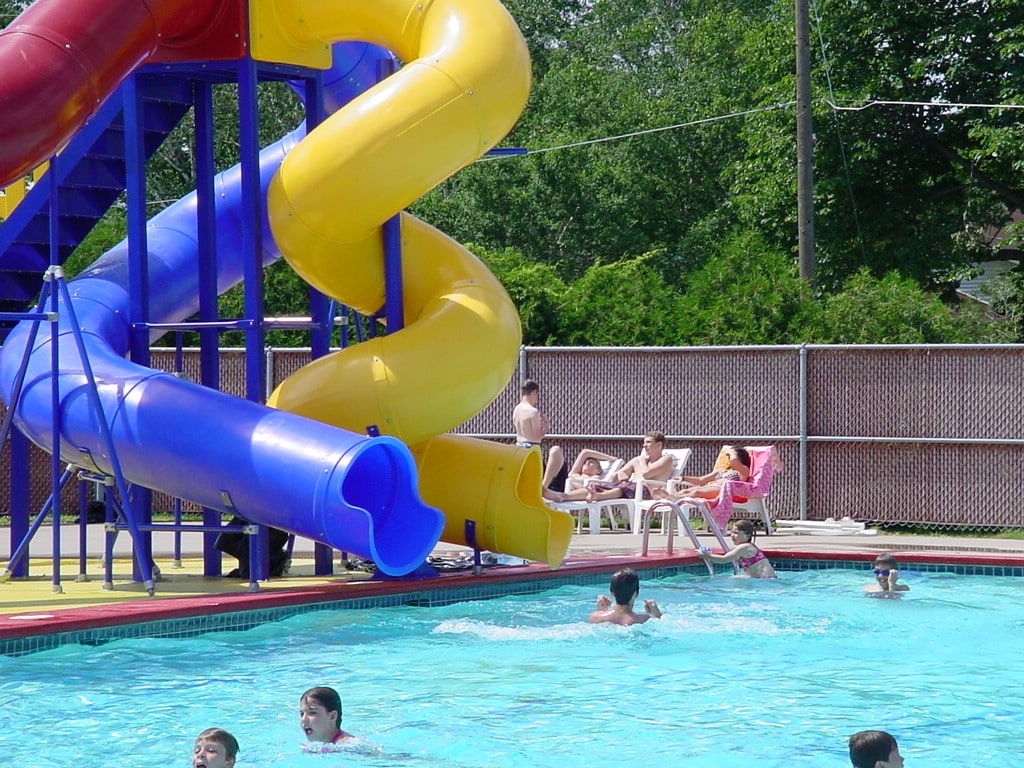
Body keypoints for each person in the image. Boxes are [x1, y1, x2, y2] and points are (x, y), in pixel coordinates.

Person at [567, 431, 674, 502]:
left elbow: (647, 473)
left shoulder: (666, 459)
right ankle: (563, 497)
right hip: (629, 488)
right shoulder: (638, 460)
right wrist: (622, 477)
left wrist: (641, 460)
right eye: (644, 442)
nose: (644, 445)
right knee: (596, 487)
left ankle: (598, 496)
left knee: (623, 488)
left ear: (659, 445)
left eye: (648, 442)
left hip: (647, 492)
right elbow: (621, 472)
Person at [512, 379, 567, 501]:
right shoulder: (533, 411)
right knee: (536, 479)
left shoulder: (517, 409)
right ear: (534, 392)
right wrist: (546, 426)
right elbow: (537, 435)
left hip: (519, 446)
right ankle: (546, 493)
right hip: (531, 447)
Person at [652, 445, 751, 501]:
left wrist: (731, 451)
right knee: (687, 490)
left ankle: (673, 498)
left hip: (725, 491)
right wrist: (683, 478)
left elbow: (734, 462)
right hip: (711, 488)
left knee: (696, 492)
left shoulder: (743, 470)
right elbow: (701, 480)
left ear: (740, 457)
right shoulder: (723, 470)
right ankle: (670, 497)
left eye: (730, 456)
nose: (728, 458)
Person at [696, 519, 777, 578]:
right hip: (767, 580)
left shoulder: (745, 547)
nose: (732, 535)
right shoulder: (749, 546)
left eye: (736, 533)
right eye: (731, 532)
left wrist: (707, 555)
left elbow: (724, 559)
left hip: (766, 581)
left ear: (747, 535)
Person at [588, 568, 662, 625]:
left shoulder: (595, 617)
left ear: (612, 593)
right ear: (636, 593)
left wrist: (600, 610)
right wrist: (657, 614)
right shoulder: (644, 620)